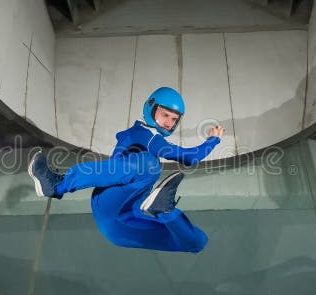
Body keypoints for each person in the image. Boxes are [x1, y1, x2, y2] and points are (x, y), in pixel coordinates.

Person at [28, 87, 224, 253]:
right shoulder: (145, 135)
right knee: (150, 166)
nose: (169, 123)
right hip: (109, 206)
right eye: (165, 115)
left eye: (174, 120)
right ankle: (57, 184)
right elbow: (190, 157)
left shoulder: (150, 138)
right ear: (150, 107)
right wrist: (213, 140)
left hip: (124, 224)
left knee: (197, 242)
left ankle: (164, 210)